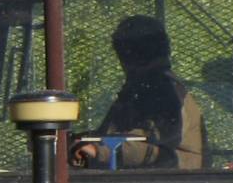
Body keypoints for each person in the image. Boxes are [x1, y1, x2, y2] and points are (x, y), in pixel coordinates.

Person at [72, 14, 205, 170]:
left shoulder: (165, 91)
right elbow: (114, 133)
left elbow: (149, 141)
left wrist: (98, 151)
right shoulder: (140, 89)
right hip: (151, 177)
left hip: (176, 181)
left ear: (132, 54)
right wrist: (81, 140)